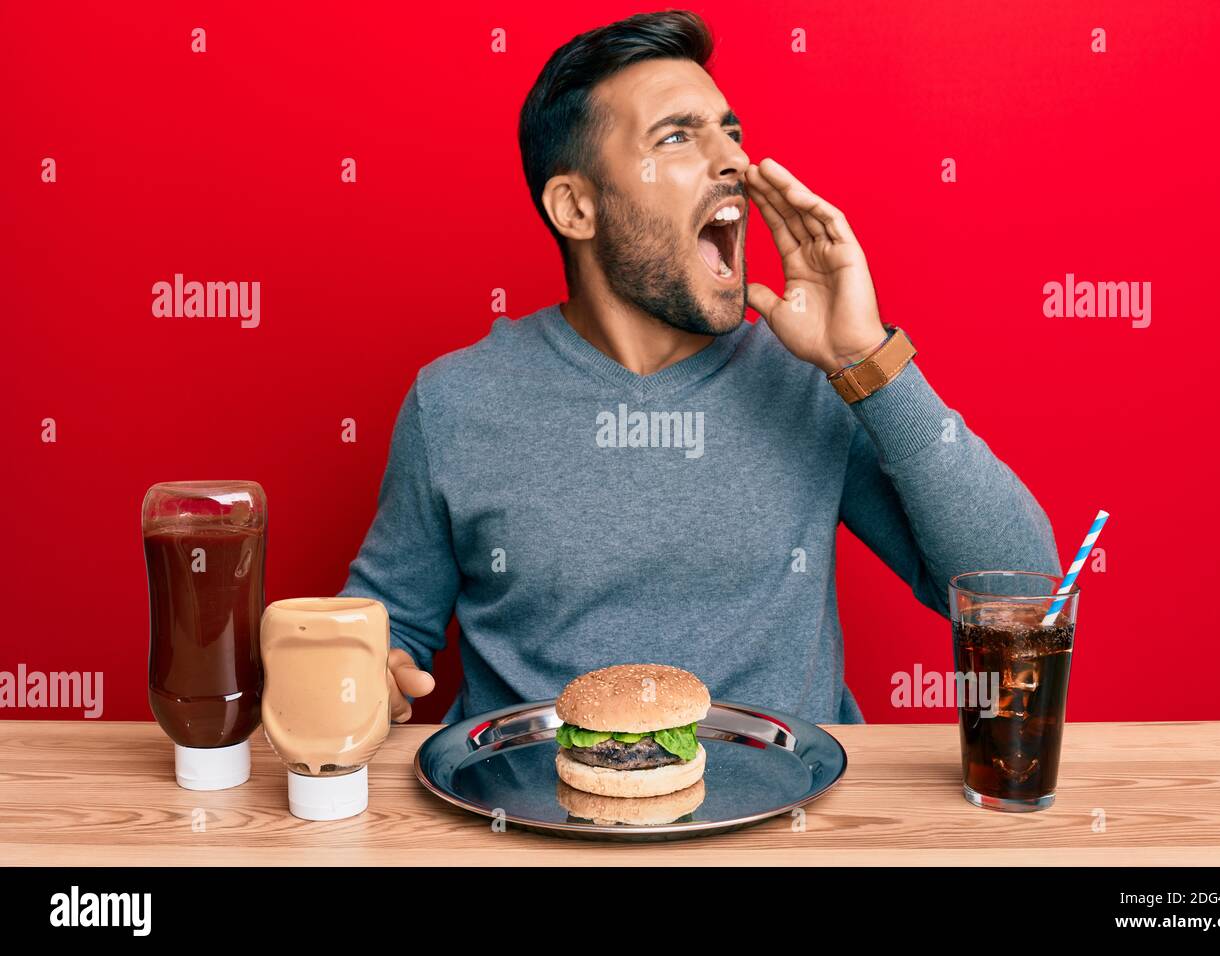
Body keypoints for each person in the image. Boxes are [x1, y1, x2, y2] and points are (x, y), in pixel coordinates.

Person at [339, 10, 1061, 725]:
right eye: (677, 136)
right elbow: (383, 632)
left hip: (788, 797)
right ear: (576, 208)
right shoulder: (458, 401)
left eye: (731, 132)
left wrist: (868, 361)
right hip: (538, 794)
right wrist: (367, 671)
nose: (735, 164)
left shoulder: (811, 380)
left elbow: (1023, 599)